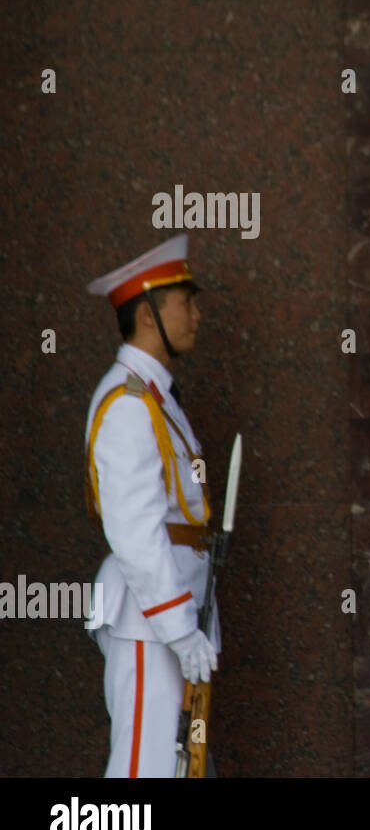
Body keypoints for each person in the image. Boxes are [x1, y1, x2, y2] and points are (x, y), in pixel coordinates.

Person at [84, 232, 219, 777]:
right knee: (146, 770)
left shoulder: (153, 398)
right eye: (186, 302)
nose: (197, 316)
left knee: (179, 765)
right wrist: (178, 626)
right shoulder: (128, 404)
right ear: (147, 316)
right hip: (151, 618)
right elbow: (135, 529)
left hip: (170, 612)